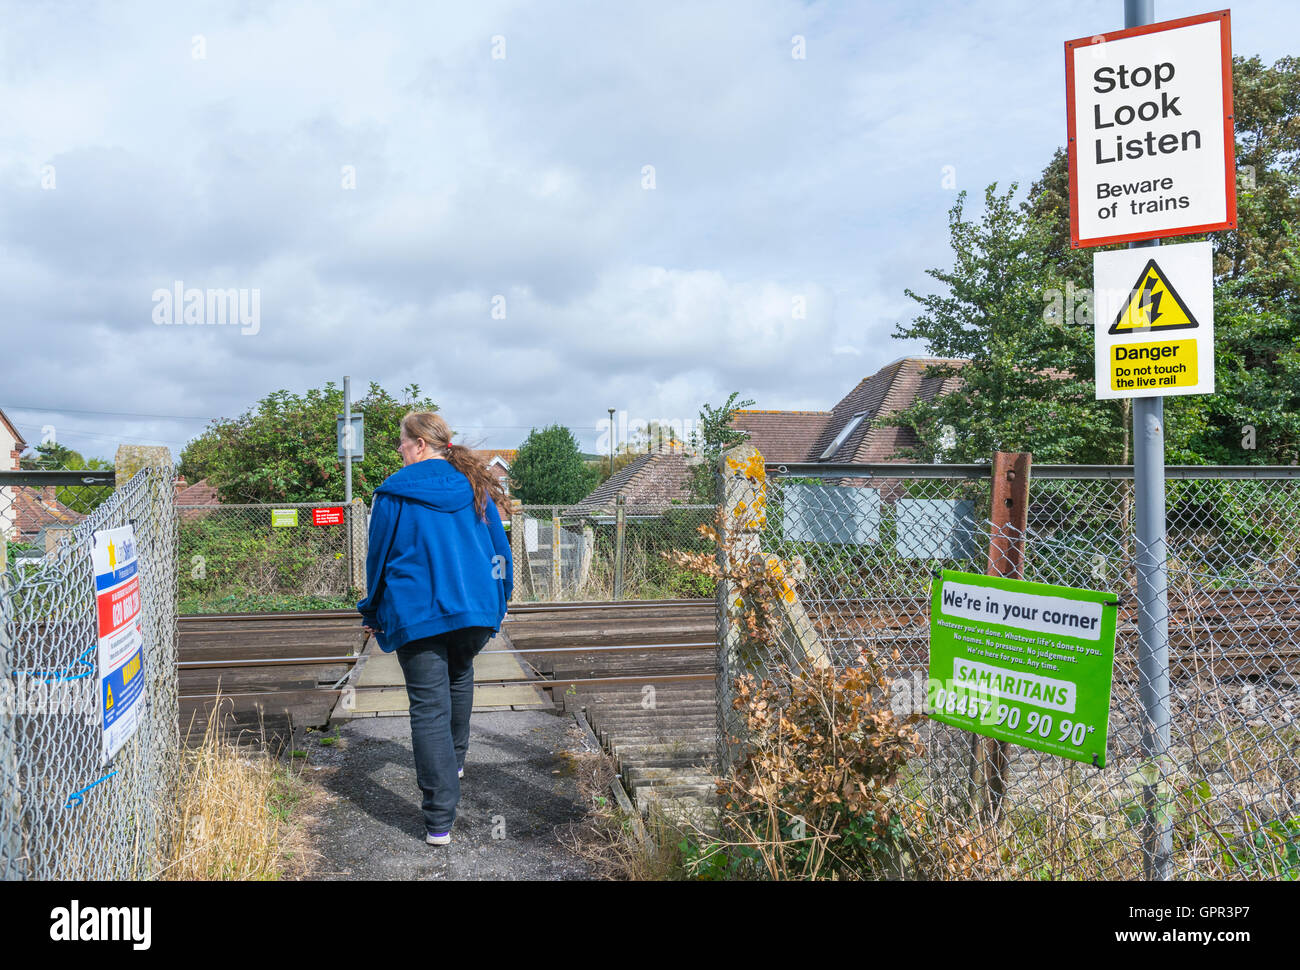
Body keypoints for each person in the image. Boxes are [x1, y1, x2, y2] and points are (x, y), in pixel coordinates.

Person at [356, 411, 513, 846]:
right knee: (459, 677)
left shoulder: (393, 494)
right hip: (474, 610)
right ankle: (454, 763)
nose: (400, 452)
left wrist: (371, 610)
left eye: (403, 444)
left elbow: (379, 558)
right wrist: (501, 601)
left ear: (420, 445)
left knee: (428, 707)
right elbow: (500, 550)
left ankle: (439, 821)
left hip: (417, 613)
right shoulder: (475, 485)